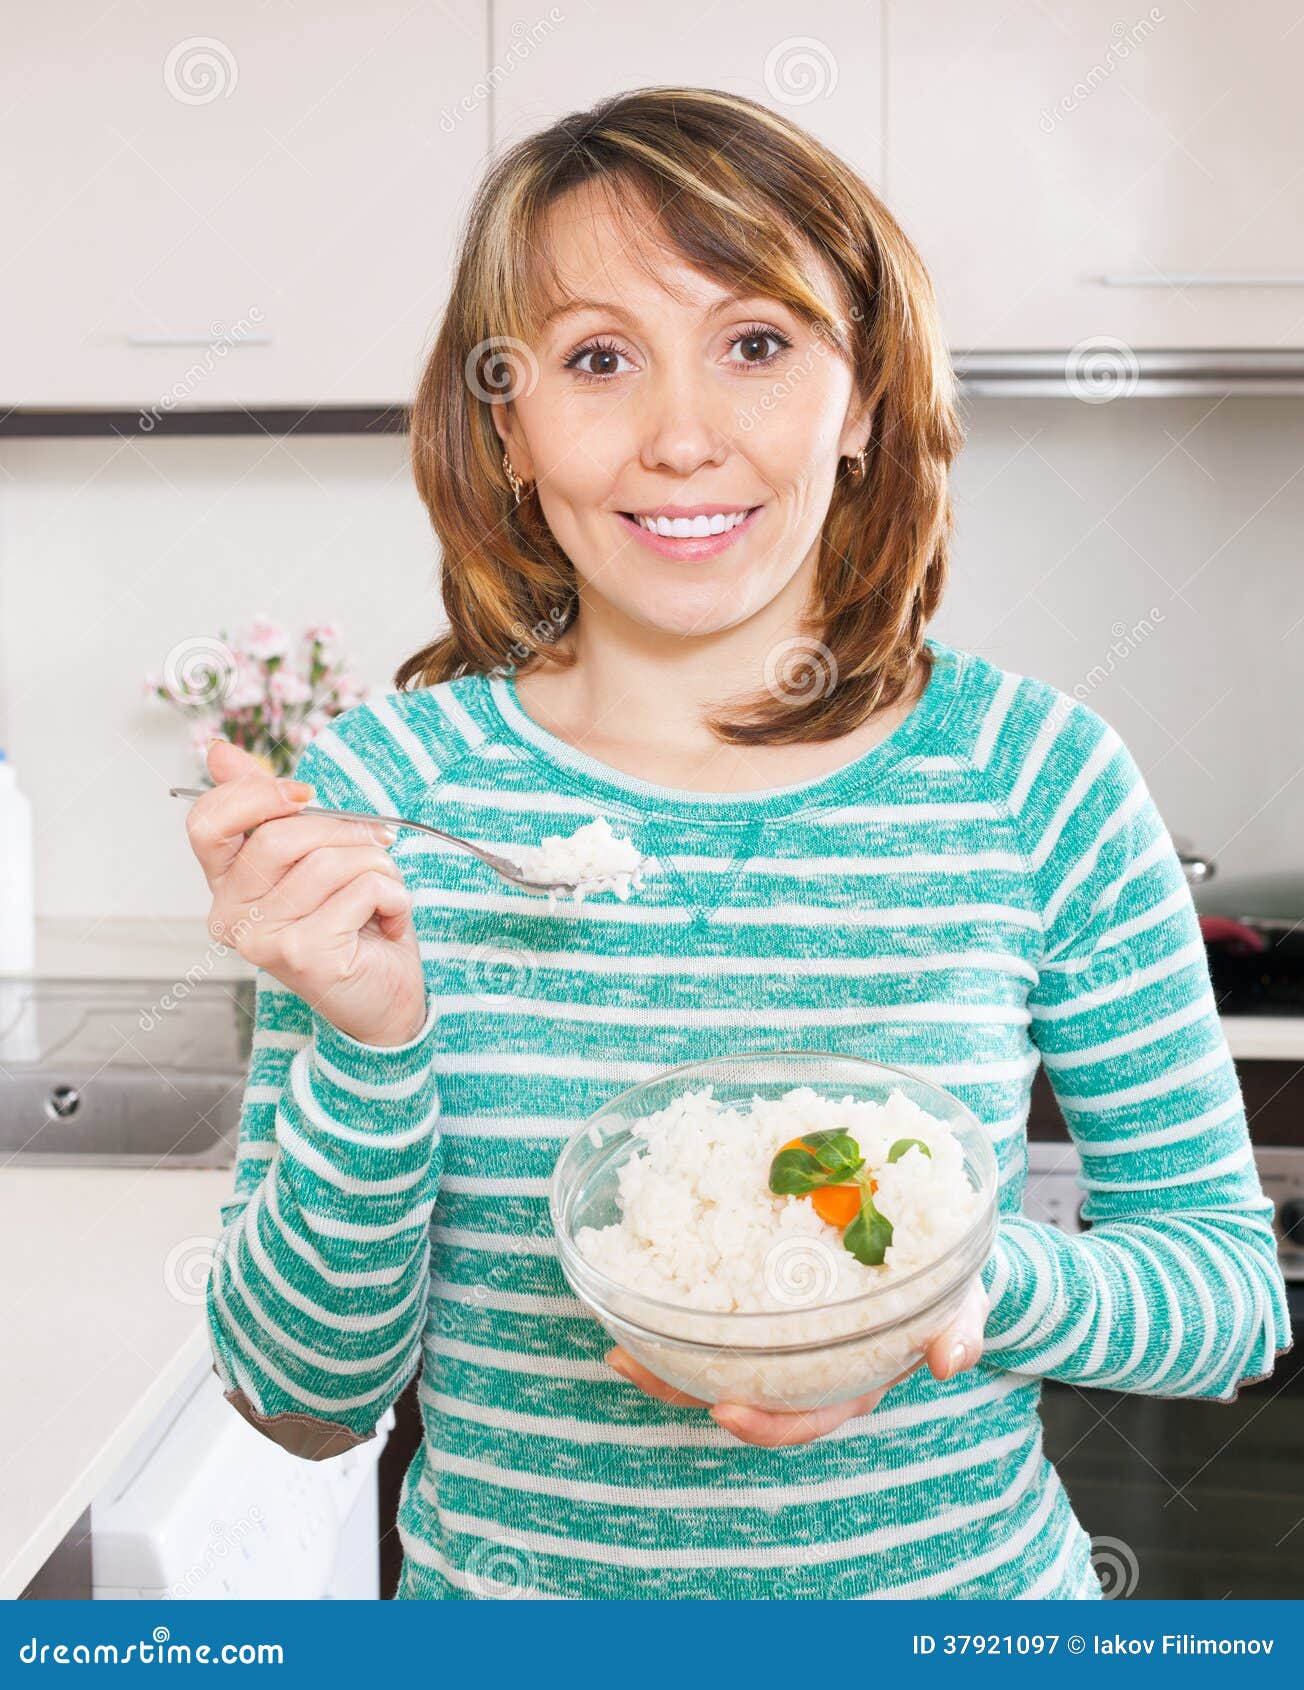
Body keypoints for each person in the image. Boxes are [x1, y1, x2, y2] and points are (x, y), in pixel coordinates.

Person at [185, 87, 1290, 1600]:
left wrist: (949, 1288)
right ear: (508, 428)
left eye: (757, 345)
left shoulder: (1036, 777)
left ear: (866, 404)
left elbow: (1228, 1293)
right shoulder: (388, 793)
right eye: (595, 358)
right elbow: (300, 1405)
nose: (683, 435)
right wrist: (374, 1047)